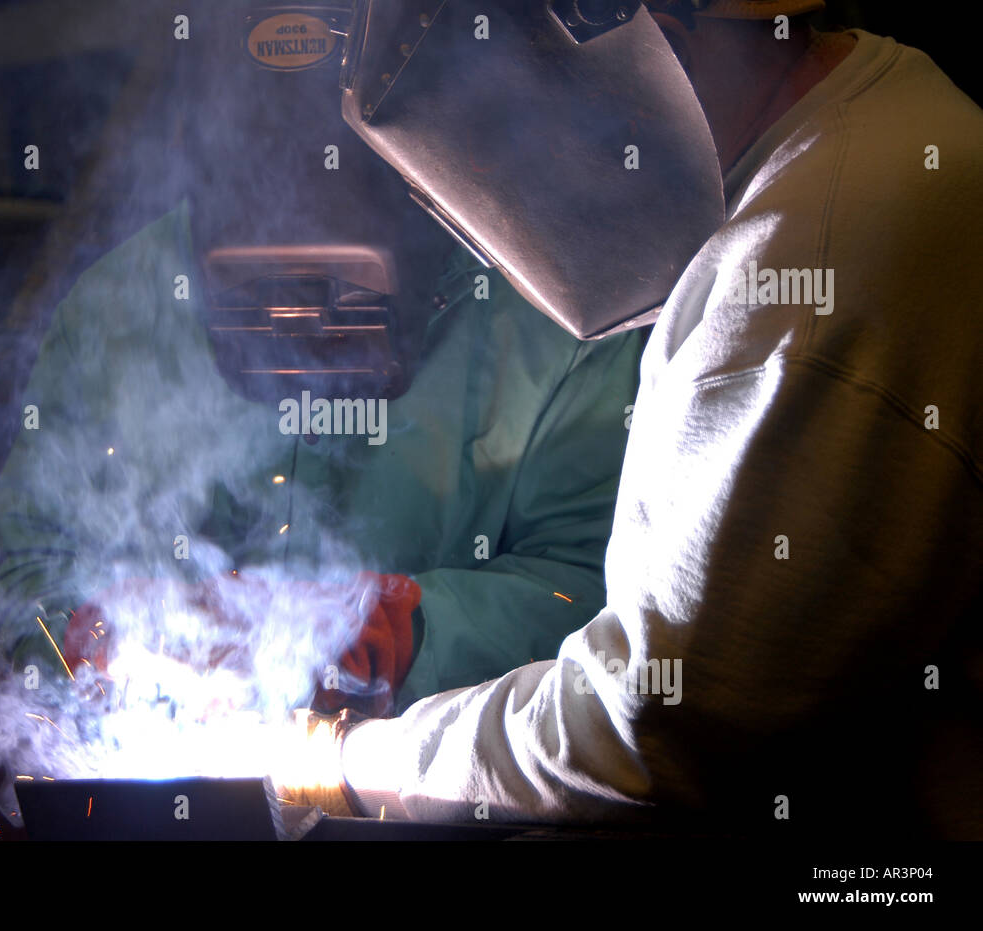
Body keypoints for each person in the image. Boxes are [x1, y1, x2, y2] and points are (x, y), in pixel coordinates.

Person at [320, 0, 983, 838]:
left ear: (647, 33)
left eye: (511, 116)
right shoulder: (866, 128)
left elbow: (654, 730)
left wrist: (351, 763)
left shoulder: (807, 271)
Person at [0, 2, 647, 721]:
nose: (300, 337)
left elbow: (604, 592)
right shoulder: (121, 304)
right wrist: (96, 632)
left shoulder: (562, 308)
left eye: (341, 298)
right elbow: (21, 567)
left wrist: (405, 630)